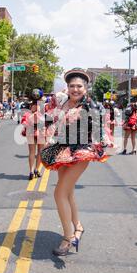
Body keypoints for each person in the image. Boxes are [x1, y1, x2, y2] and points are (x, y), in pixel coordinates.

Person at [41, 68, 114, 256]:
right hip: (63, 149)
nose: (75, 89)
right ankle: (78, 227)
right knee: (68, 192)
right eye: (72, 86)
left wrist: (104, 143)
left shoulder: (91, 106)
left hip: (81, 151)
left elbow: (100, 128)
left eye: (79, 86)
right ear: (67, 87)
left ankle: (68, 238)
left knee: (59, 193)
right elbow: (52, 121)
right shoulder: (64, 104)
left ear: (86, 88)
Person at [21, 89, 46, 180]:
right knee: (40, 152)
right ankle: (36, 170)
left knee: (31, 152)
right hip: (41, 130)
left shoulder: (28, 105)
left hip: (30, 130)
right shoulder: (43, 106)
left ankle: (31, 171)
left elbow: (24, 118)